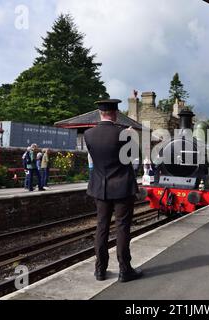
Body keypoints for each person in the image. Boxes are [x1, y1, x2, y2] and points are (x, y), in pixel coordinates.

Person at [84, 99, 142, 283]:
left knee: (102, 227)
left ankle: (100, 270)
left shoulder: (88, 134)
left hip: (99, 188)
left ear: (99, 113)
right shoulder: (124, 134)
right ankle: (125, 270)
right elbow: (134, 163)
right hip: (123, 188)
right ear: (115, 113)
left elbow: (92, 161)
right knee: (122, 228)